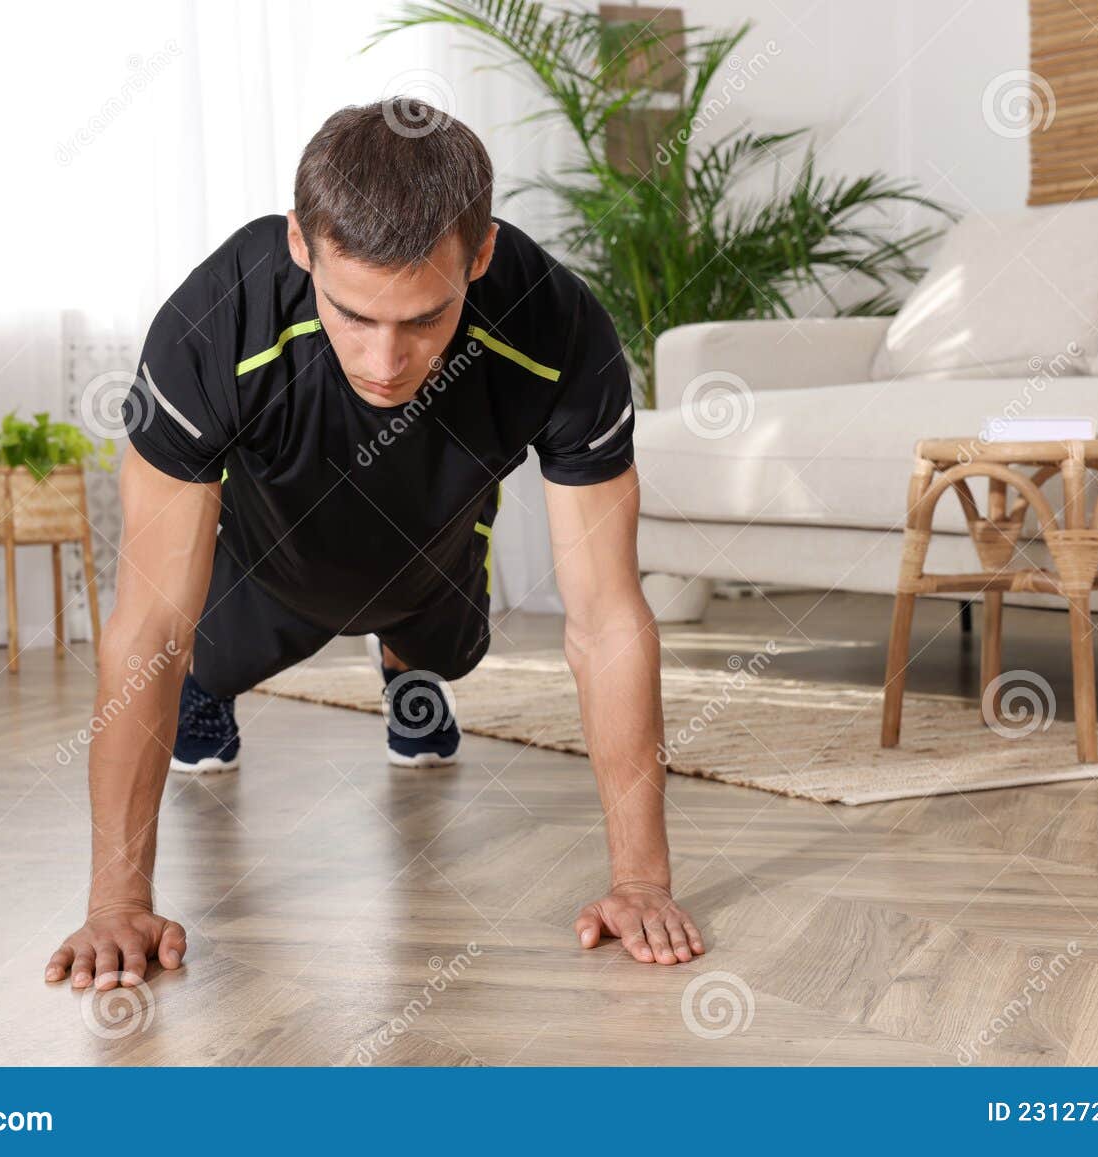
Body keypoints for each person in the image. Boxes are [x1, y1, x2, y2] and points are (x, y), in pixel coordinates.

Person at [43, 99, 705, 991]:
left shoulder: (560, 328)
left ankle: (405, 663)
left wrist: (640, 880)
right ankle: (216, 687)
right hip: (271, 556)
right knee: (200, 650)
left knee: (450, 653)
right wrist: (117, 899)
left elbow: (606, 616)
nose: (385, 360)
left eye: (424, 318)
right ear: (301, 246)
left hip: (429, 553)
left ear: (481, 256)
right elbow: (148, 623)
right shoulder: (215, 322)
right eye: (354, 315)